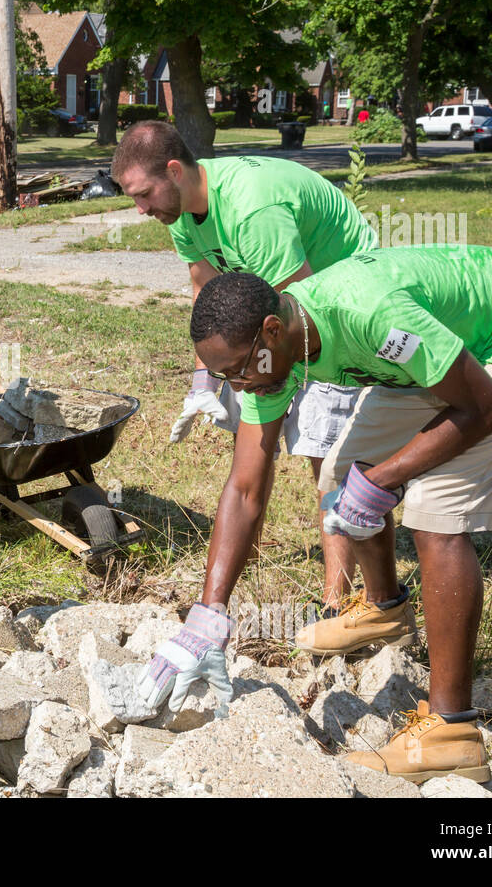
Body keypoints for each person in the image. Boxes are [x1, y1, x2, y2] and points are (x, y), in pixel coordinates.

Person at [137, 244, 492, 783]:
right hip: (446, 345)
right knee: (341, 472)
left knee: (434, 510)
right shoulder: (262, 359)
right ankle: (385, 608)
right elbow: (245, 488)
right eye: (224, 377)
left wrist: (386, 479)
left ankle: (451, 731)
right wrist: (208, 612)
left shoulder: (368, 316)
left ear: (272, 331)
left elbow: (483, 407)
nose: (239, 387)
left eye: (237, 372)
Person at [112, 120, 379, 616]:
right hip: (273, 315)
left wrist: (264, 381)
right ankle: (243, 556)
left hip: (336, 316)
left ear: (174, 170)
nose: (141, 209)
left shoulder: (252, 210)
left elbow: (297, 313)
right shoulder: (184, 213)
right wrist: (203, 382)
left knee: (326, 451)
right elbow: (203, 290)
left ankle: (338, 597)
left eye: (144, 194)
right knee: (252, 445)